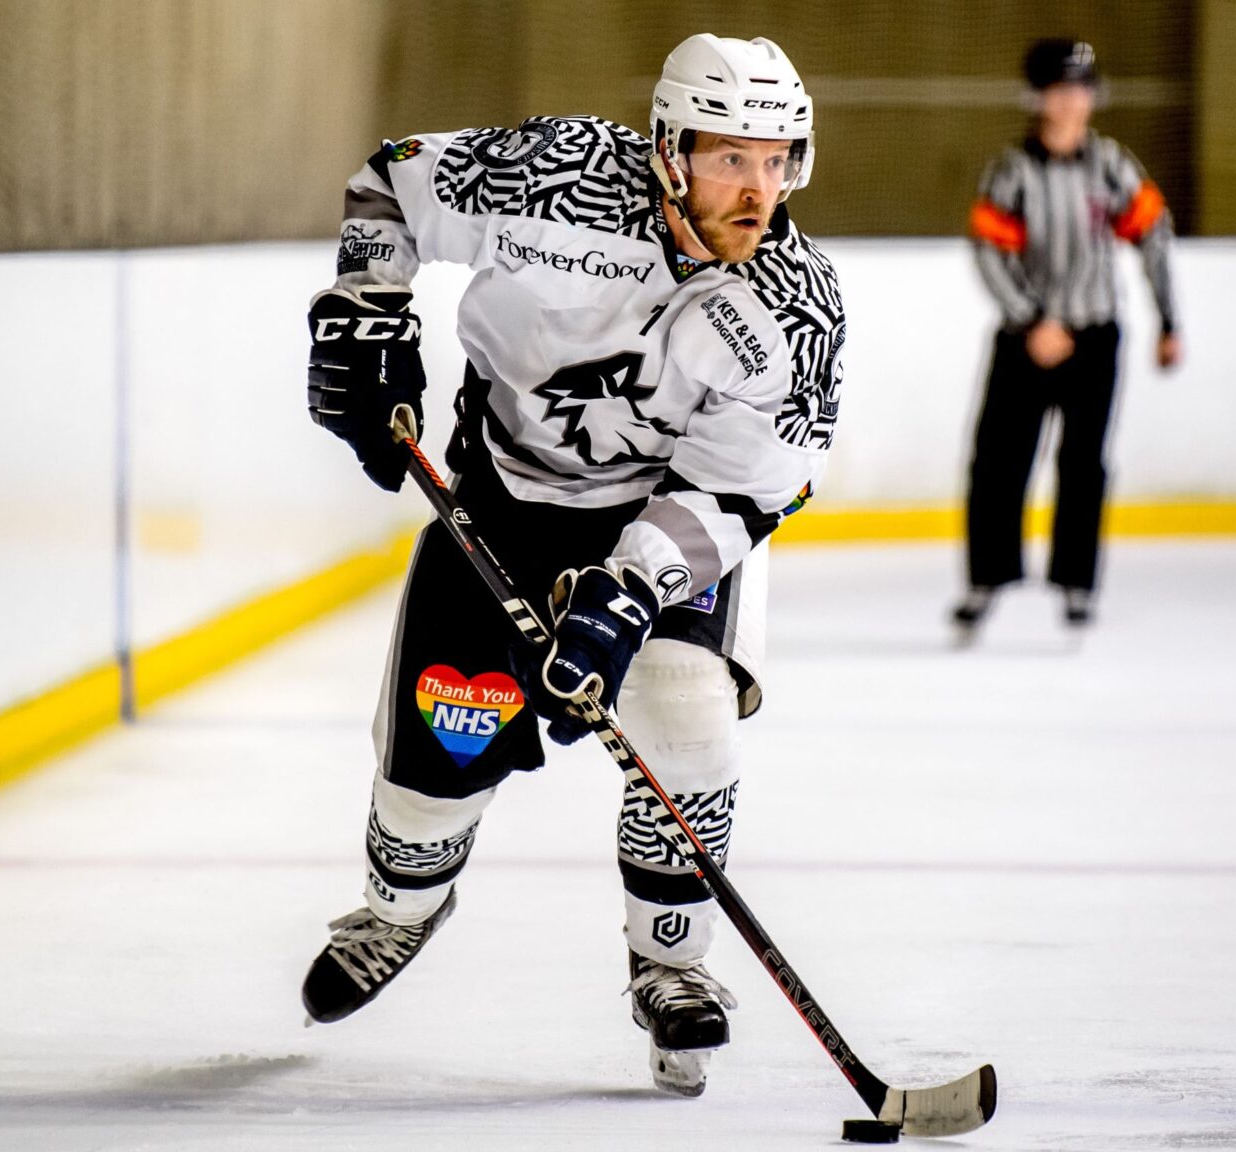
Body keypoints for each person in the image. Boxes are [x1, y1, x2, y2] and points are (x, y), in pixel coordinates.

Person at [297, 34, 844, 1099]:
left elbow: (741, 491)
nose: (759, 189)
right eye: (731, 158)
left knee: (683, 717)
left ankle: (673, 964)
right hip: (497, 504)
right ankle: (402, 907)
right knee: (426, 787)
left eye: (778, 160)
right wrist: (367, 310)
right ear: (668, 148)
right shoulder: (551, 175)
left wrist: (628, 594)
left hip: (660, 523)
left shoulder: (794, 308)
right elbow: (389, 182)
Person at [953, 38, 1181, 637]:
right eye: (1059, 89)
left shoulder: (1112, 165)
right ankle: (987, 579)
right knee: (999, 463)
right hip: (1025, 340)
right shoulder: (1013, 170)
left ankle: (1078, 582)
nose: (1071, 101)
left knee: (1085, 465)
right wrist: (1032, 320)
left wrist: (1169, 320)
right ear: (1037, 98)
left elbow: (1154, 235)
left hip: (1096, 337)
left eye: (1080, 88)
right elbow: (988, 252)